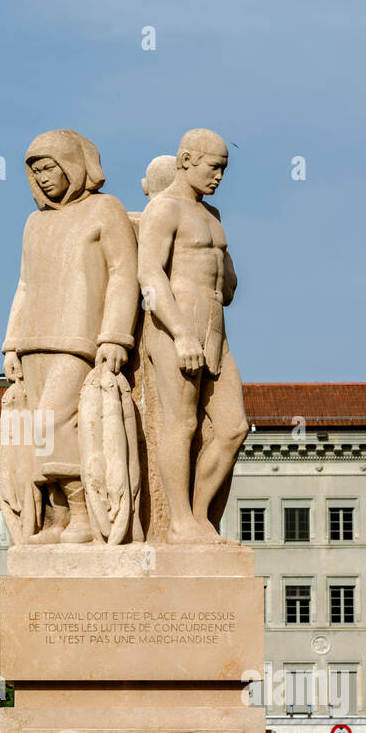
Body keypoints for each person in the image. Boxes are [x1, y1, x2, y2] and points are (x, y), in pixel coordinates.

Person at [2, 130, 139, 542]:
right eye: (36, 171)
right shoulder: (34, 222)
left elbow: (122, 274)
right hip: (33, 341)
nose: (43, 178)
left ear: (73, 166)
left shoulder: (105, 210)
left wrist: (116, 335)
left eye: (49, 168)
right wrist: (11, 342)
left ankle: (83, 516)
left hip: (80, 338)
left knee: (56, 422)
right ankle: (57, 518)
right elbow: (24, 285)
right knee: (36, 431)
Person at [137, 128, 248, 544]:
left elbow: (230, 284)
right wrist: (181, 334)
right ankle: (179, 522)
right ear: (185, 161)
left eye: (224, 168)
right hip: (174, 324)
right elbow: (149, 274)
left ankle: (200, 518)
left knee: (234, 428)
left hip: (215, 326)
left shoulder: (212, 216)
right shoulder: (163, 209)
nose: (219, 176)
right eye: (213, 166)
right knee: (180, 424)